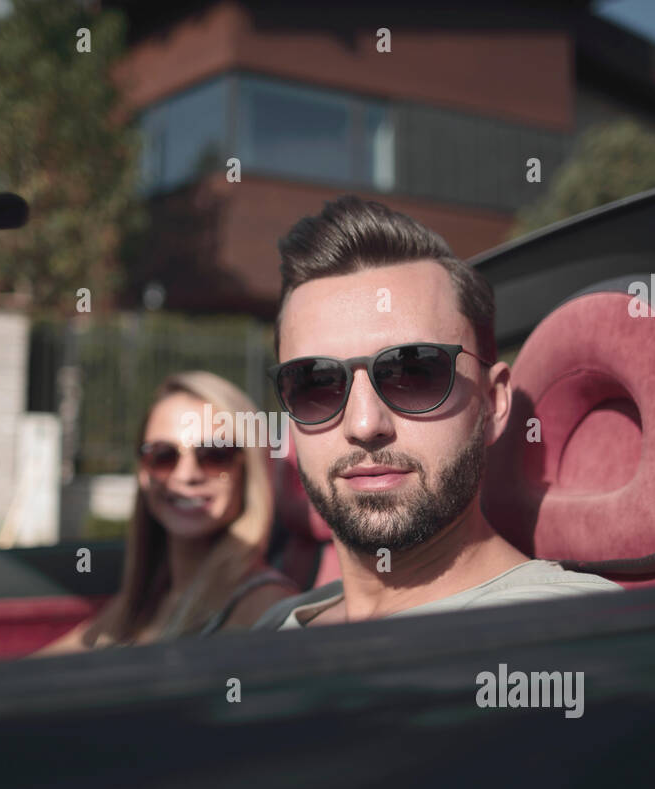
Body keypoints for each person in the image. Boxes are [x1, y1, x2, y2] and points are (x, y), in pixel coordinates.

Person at [256, 195, 623, 630]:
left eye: (414, 373)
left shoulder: (569, 627)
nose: (365, 425)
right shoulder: (274, 625)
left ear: (494, 402)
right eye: (315, 382)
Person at [35, 371, 298, 654]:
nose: (186, 476)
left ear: (248, 472)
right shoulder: (146, 597)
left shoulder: (265, 606)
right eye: (163, 456)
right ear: (143, 473)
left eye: (214, 456)